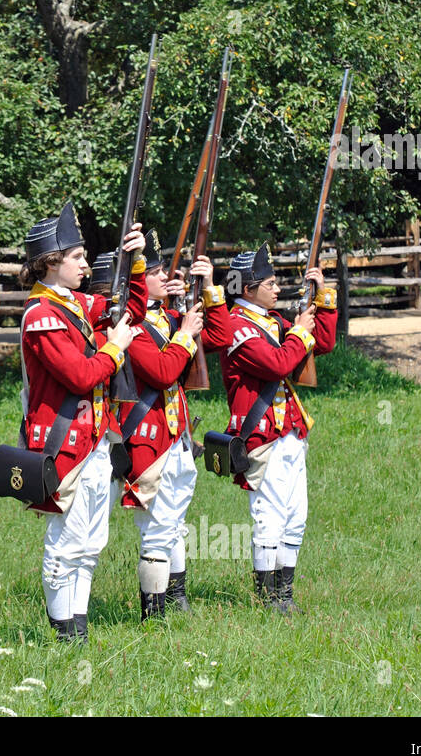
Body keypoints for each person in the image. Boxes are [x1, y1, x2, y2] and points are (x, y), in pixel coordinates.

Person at [17, 203, 145, 642]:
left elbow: (128, 309)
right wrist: (114, 348)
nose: (86, 264)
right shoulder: (41, 314)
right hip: (63, 440)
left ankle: (79, 625)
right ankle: (61, 630)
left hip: (93, 438)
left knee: (91, 542)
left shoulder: (73, 304)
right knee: (67, 539)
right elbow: (80, 375)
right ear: (52, 261)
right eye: (77, 257)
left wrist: (136, 260)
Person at [200, 243, 337, 612]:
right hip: (262, 436)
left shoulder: (272, 322)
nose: (278, 289)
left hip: (290, 432)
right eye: (270, 283)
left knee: (296, 517)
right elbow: (278, 363)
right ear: (247, 289)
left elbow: (322, 343)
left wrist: (322, 296)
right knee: (270, 518)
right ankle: (266, 597)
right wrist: (300, 333)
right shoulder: (236, 328)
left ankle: (285, 595)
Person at [89, 244, 217, 619]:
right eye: (154, 272)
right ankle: (154, 614)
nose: (164, 276)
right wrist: (185, 335)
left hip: (175, 433)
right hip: (146, 439)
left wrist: (207, 287)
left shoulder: (166, 319)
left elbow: (221, 337)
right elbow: (162, 373)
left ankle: (175, 599)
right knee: (156, 528)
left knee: (174, 523)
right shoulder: (134, 328)